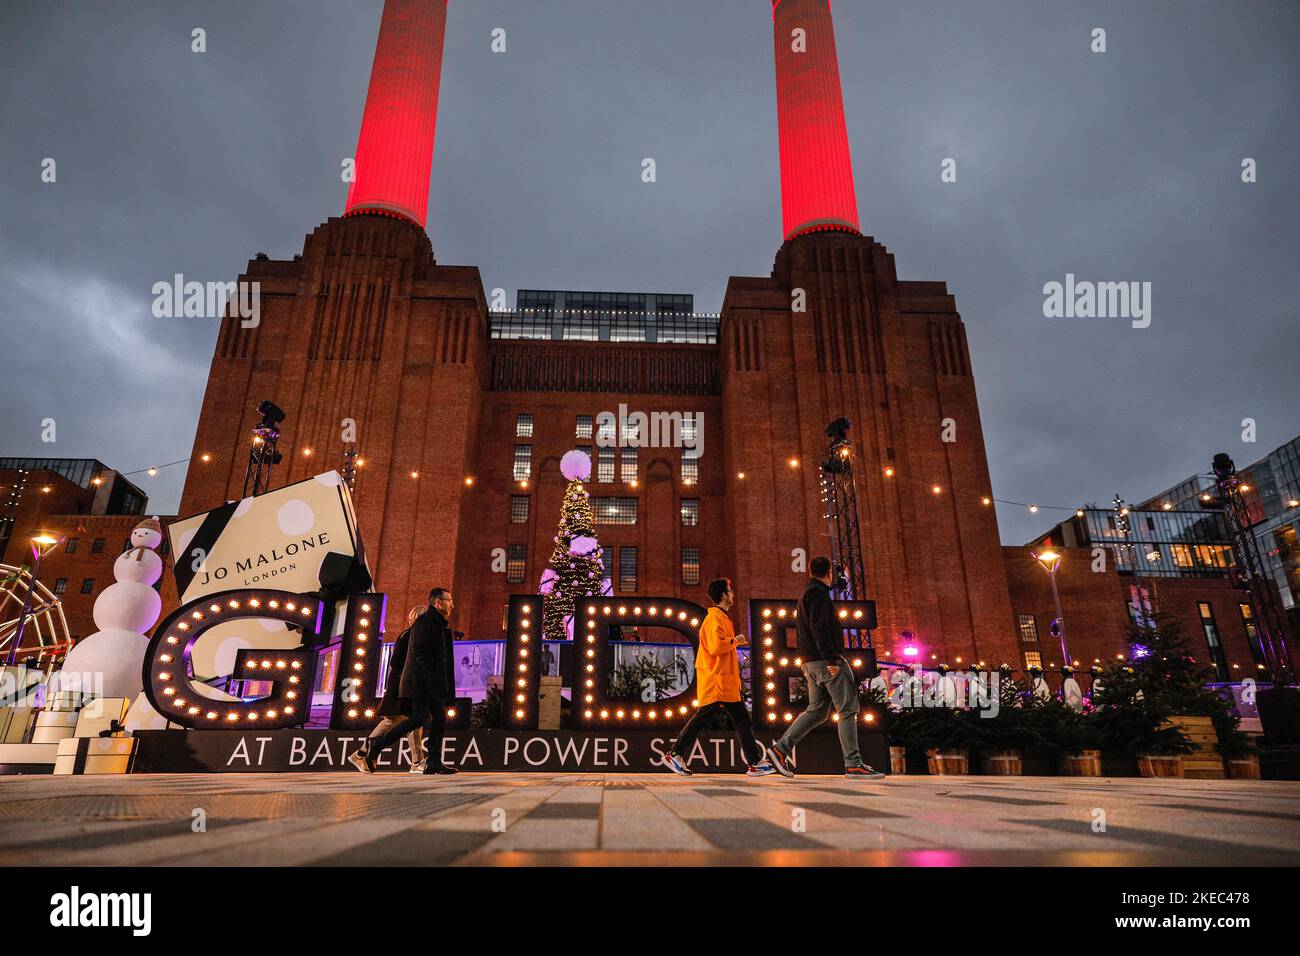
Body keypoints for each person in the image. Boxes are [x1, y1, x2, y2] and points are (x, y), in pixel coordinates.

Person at [766, 557, 885, 780]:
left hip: (809, 663)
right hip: (825, 662)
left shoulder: (806, 594)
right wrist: (831, 659)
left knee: (817, 711)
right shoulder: (818, 593)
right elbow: (820, 627)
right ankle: (853, 764)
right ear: (829, 572)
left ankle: (780, 750)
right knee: (848, 709)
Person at [662, 578, 777, 778]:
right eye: (730, 591)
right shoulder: (715, 619)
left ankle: (754, 763)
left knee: (738, 719)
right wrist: (736, 640)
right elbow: (716, 647)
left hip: (723, 681)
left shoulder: (720, 618)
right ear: (723, 595)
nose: (733, 594)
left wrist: (733, 642)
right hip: (717, 681)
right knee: (709, 718)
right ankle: (674, 754)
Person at [350, 587, 457, 775]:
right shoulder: (425, 622)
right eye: (449, 600)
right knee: (416, 720)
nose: (452, 604)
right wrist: (431, 674)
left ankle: (432, 761)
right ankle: (376, 746)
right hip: (422, 684)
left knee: (438, 718)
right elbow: (419, 649)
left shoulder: (438, 624)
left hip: (431, 683)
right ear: (438, 602)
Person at [350, 605, 428, 774]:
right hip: (403, 685)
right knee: (412, 719)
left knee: (392, 721)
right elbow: (396, 662)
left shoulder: (410, 635)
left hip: (402, 684)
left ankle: (360, 753)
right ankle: (417, 762)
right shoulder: (409, 636)